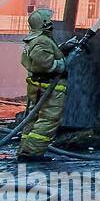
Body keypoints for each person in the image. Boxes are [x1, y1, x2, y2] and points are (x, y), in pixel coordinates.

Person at [18, 8, 75, 160]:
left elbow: (42, 56)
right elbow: (44, 63)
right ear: (43, 24)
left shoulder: (35, 39)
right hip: (49, 86)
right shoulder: (41, 40)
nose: (51, 23)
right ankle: (31, 154)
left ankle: (25, 150)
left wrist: (62, 49)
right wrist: (63, 63)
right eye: (49, 21)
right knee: (49, 119)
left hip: (39, 85)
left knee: (33, 118)